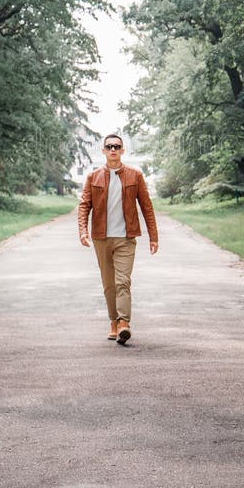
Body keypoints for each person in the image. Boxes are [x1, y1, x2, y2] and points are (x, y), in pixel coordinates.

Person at [78, 133, 159, 344]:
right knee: (109, 284)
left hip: (126, 238)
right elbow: (84, 205)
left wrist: (153, 236)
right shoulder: (93, 177)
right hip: (101, 238)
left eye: (116, 146)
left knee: (122, 281)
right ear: (104, 151)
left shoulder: (135, 175)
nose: (113, 149)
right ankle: (113, 322)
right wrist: (83, 231)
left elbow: (147, 206)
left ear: (122, 150)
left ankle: (124, 323)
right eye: (109, 146)